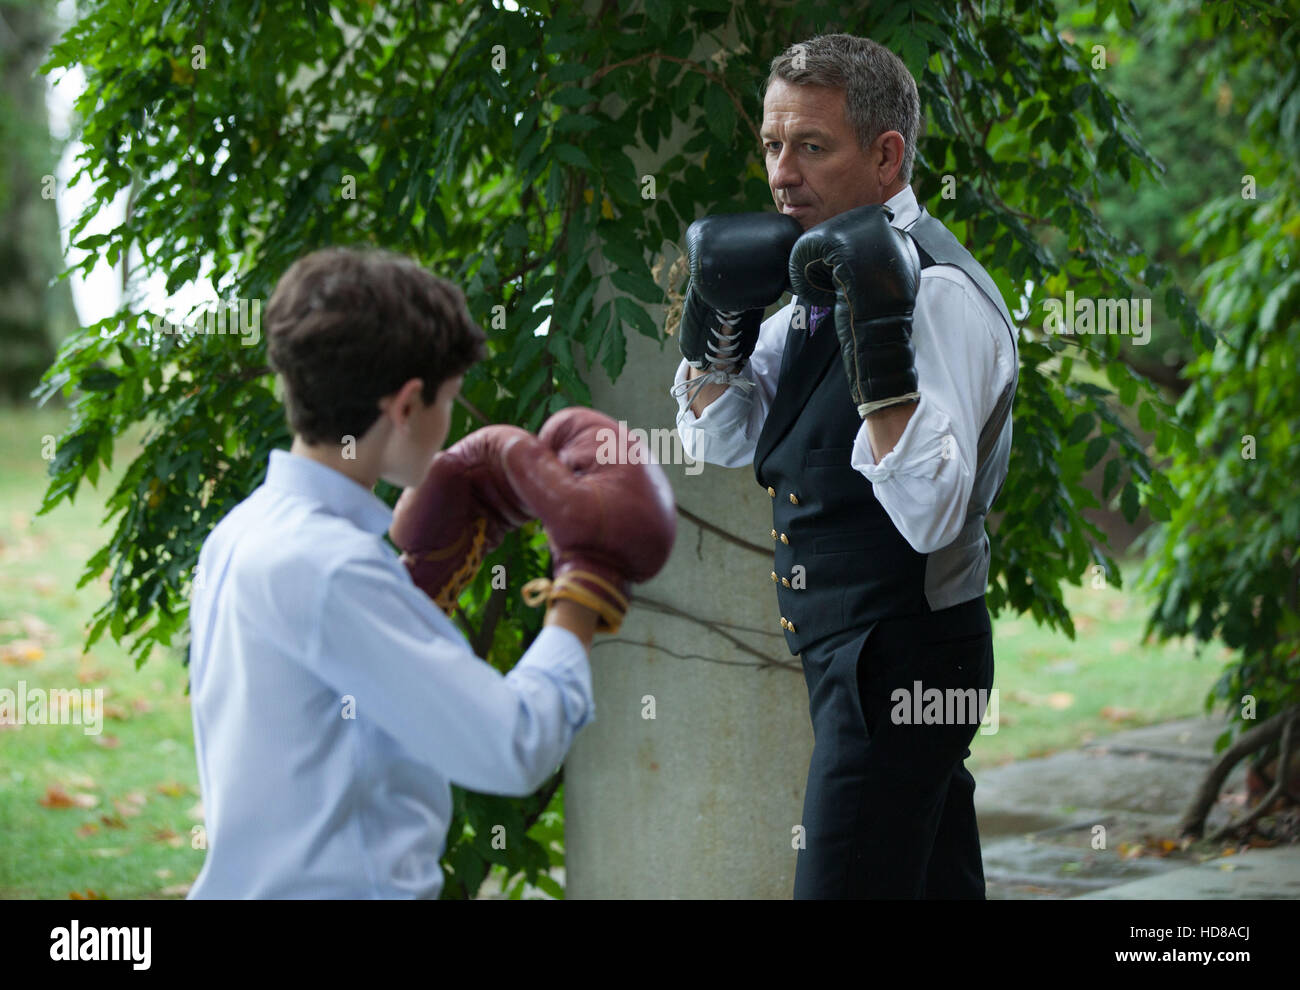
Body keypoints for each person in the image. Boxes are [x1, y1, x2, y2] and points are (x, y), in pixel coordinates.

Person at [187, 247, 673, 898]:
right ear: (407, 405)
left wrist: (418, 591)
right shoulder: (334, 568)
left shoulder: (243, 532)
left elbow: (331, 704)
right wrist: (586, 579)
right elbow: (513, 744)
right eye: (448, 399)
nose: (448, 425)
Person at [671, 34, 1019, 899]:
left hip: (903, 661)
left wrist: (878, 331)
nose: (781, 174)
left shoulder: (932, 291)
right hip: (851, 658)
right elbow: (720, 440)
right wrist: (714, 318)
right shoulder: (820, 274)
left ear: (886, 154)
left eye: (811, 147)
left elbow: (932, 515)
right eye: (770, 146)